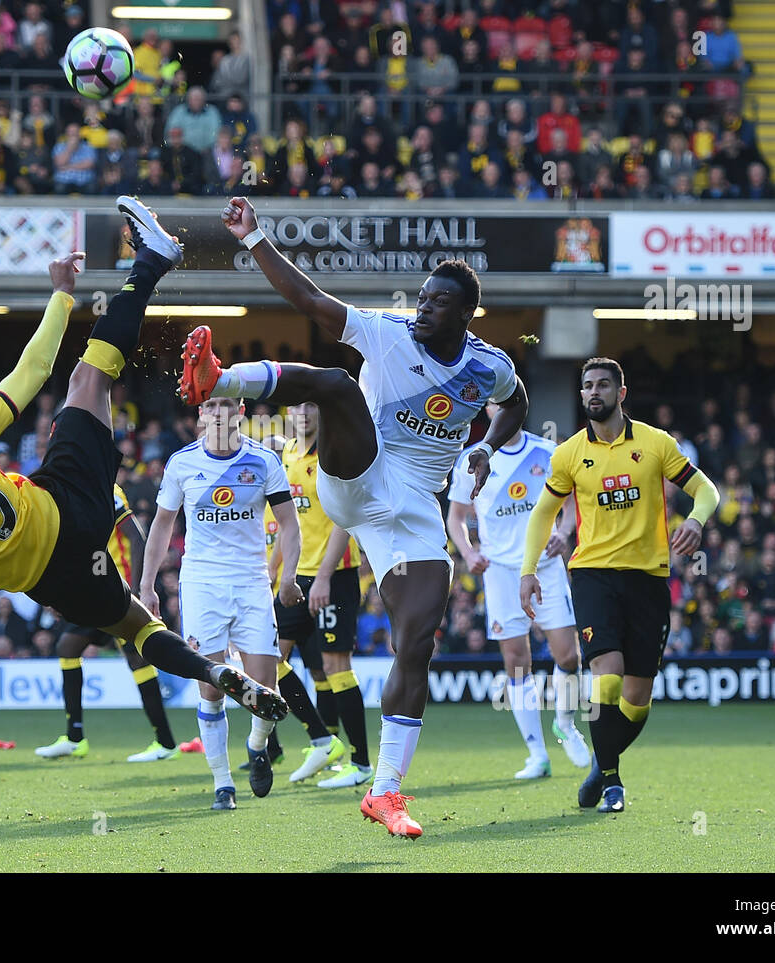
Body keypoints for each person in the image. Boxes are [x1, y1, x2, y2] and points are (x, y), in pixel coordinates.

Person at [0, 198, 288, 750]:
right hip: (67, 505)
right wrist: (61, 296)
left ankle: (215, 674)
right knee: (88, 380)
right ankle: (152, 262)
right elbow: (33, 370)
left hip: (49, 582)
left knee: (137, 628)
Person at [181, 196, 528, 837]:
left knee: (416, 644)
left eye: (437, 302)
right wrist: (255, 237)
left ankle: (386, 792)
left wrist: (484, 445)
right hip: (358, 476)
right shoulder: (388, 333)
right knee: (338, 385)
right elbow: (313, 304)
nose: (422, 306)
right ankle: (219, 379)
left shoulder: (488, 366)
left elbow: (516, 400)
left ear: (466, 315)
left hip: (415, 508)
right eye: (421, 296)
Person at [520, 358, 719, 813]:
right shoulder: (569, 453)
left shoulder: (655, 444)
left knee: (638, 697)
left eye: (603, 385)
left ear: (621, 392)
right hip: (593, 573)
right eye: (587, 385)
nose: (593, 392)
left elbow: (707, 491)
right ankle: (612, 784)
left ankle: (599, 765)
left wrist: (696, 520)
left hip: (649, 578)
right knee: (605, 679)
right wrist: (527, 570)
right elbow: (542, 515)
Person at [140, 396, 305, 810]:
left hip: (251, 583)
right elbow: (161, 526)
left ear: (240, 413)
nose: (217, 411)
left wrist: (287, 577)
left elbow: (289, 522)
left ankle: (256, 745)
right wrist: (147, 584)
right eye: (210, 405)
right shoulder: (182, 463)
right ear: (200, 415)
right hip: (202, 584)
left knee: (266, 691)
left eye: (226, 404)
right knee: (211, 690)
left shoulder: (264, 460)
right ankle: (223, 785)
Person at [446, 407, 591, 781]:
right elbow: (456, 517)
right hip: (500, 572)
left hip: (545, 565)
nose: (503, 409)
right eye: (497, 402)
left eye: (511, 401)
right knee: (516, 660)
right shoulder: (472, 459)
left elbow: (572, 500)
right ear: (489, 409)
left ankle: (565, 725)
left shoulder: (548, 451)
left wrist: (566, 529)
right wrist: (468, 552)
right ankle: (537, 754)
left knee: (569, 655)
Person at [34, 483, 181, 762]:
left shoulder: (105, 489)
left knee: (138, 661)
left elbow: (137, 538)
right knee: (68, 646)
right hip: (94, 591)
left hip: (119, 591)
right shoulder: (67, 493)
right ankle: (75, 738)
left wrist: (137, 588)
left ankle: (166, 743)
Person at [266, 402, 367, 788]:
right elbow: (288, 522)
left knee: (335, 665)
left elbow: (345, 518)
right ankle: (323, 740)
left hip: (335, 574)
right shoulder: (289, 452)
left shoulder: (334, 454)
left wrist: (324, 577)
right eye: (298, 406)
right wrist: (274, 568)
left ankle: (360, 763)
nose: (305, 412)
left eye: (312, 405)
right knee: (269, 656)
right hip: (296, 576)